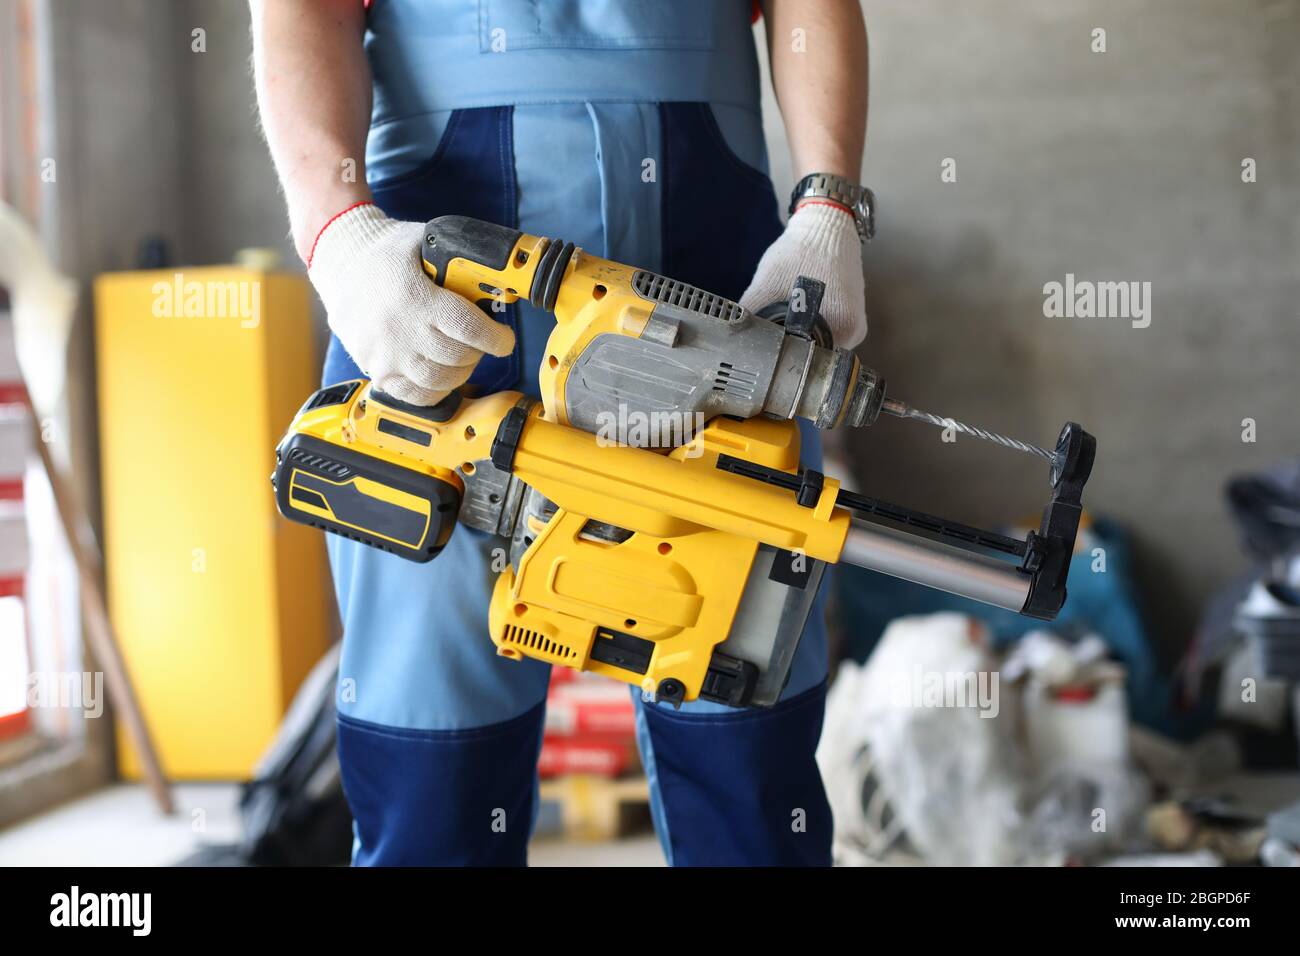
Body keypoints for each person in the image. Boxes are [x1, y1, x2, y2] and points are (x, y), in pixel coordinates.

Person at [250, 0, 873, 866]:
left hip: (718, 311)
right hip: (430, 318)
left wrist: (828, 210)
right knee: (432, 779)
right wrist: (338, 234)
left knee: (750, 778)